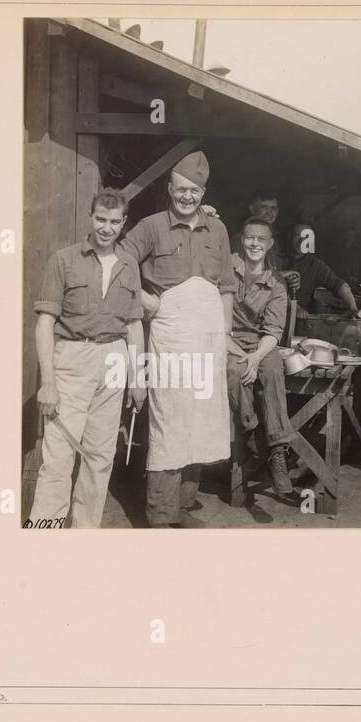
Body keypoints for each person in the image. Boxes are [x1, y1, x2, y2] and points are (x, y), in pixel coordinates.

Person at [118, 151, 235, 527]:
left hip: (209, 336)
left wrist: (225, 336)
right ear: (169, 189)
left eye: (195, 190)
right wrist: (144, 298)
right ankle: (160, 515)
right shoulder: (151, 226)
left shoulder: (217, 229)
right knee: (169, 422)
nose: (188, 197)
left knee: (201, 420)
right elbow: (119, 260)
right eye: (182, 189)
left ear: (203, 192)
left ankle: (184, 506)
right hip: (170, 335)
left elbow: (227, 287)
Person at [29, 188, 146, 527]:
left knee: (99, 456)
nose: (106, 228)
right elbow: (44, 323)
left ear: (123, 224)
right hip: (72, 359)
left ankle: (84, 537)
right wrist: (48, 383)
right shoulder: (63, 260)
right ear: (90, 217)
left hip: (114, 360)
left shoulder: (129, 266)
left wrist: (137, 378)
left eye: (113, 222)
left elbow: (135, 325)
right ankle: (43, 535)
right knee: (59, 455)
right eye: (100, 219)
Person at [227, 217, 294, 494]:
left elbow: (273, 330)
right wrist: (243, 356)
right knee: (233, 372)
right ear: (242, 239)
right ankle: (254, 436)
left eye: (261, 239)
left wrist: (255, 357)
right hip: (228, 340)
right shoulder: (225, 268)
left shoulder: (276, 282)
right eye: (249, 237)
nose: (255, 244)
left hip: (261, 344)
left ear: (270, 244)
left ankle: (277, 451)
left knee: (273, 370)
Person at [273, 221, 360, 318]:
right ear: (289, 236)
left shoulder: (315, 264)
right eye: (298, 236)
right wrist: (294, 307)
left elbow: (339, 284)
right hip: (272, 314)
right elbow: (264, 280)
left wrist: (352, 306)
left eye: (307, 237)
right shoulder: (275, 257)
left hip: (297, 320)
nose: (302, 241)